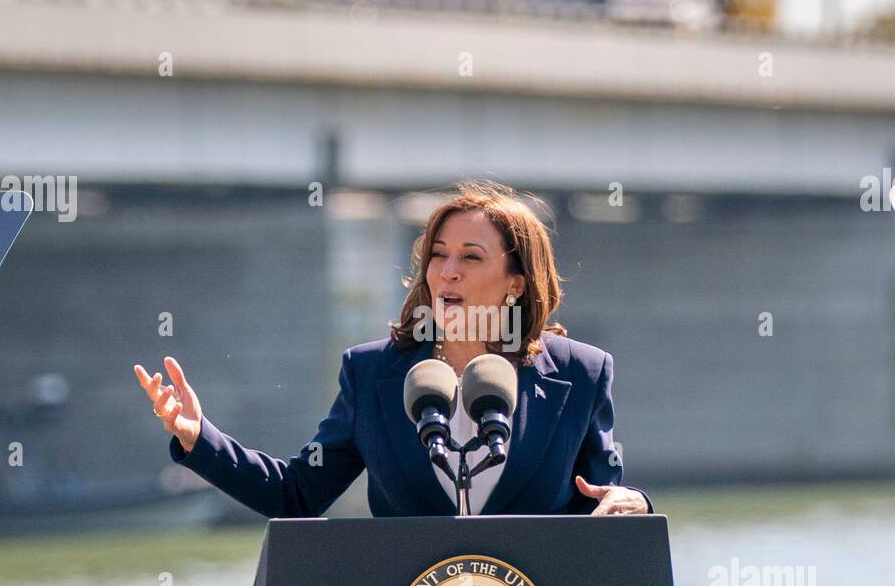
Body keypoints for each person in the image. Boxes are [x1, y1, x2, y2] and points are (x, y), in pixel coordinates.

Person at [133, 180, 653, 519]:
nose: (447, 271)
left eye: (471, 258)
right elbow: (296, 495)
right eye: (439, 255)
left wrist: (634, 503)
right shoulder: (373, 373)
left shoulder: (580, 374)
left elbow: (604, 500)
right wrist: (199, 438)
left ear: (515, 281)